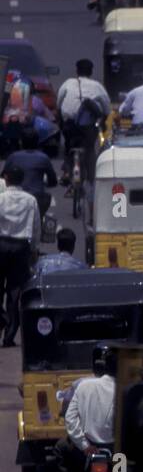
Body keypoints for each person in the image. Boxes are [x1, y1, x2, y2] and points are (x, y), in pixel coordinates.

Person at [57, 347, 117, 472]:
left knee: (61, 448)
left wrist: (84, 445)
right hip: (118, 453)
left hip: (87, 452)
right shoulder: (127, 390)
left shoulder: (83, 386)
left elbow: (70, 419)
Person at [0, 165, 40, 347]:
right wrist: (34, 249)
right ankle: (9, 335)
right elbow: (36, 227)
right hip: (21, 247)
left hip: (1, 245)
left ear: (6, 178)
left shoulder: (0, 199)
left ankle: (3, 319)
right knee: (15, 294)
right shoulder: (30, 200)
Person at [4, 127, 57, 222]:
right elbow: (53, 181)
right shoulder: (43, 158)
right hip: (37, 199)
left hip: (15, 200)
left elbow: (3, 177)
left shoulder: (13, 157)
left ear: (21, 142)